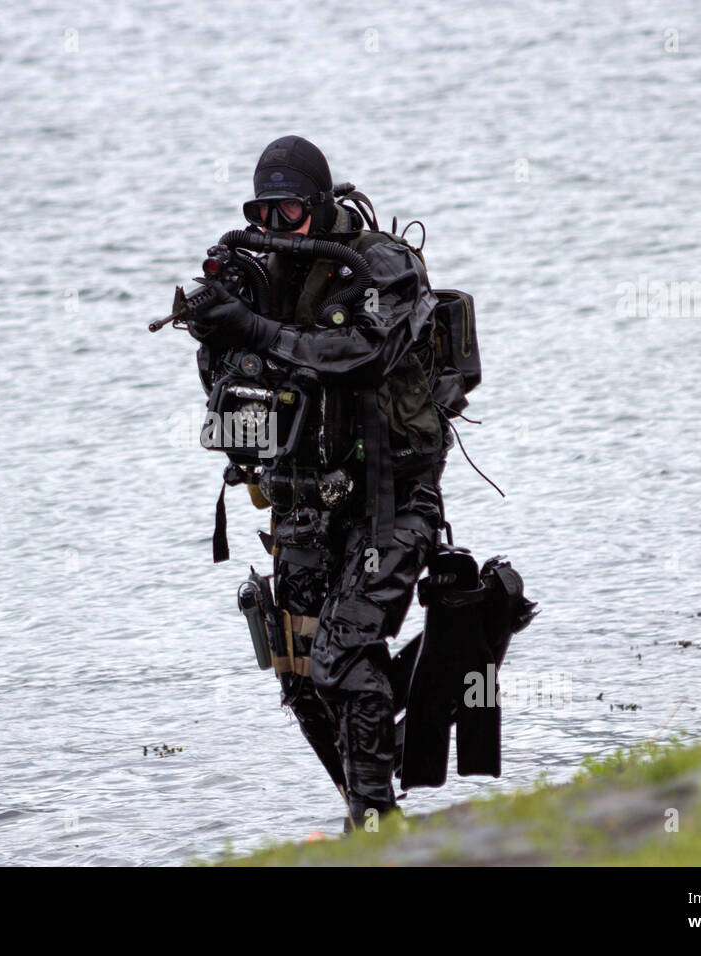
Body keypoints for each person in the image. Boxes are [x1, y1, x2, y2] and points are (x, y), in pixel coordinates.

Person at [188, 135, 453, 829]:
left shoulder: (381, 267)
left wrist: (252, 326)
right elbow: (231, 393)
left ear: (321, 204)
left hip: (389, 496)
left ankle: (374, 820)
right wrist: (218, 335)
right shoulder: (258, 273)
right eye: (261, 212)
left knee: (343, 652)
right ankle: (369, 803)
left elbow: (361, 354)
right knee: (300, 673)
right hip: (301, 498)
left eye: (290, 213)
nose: (275, 230)